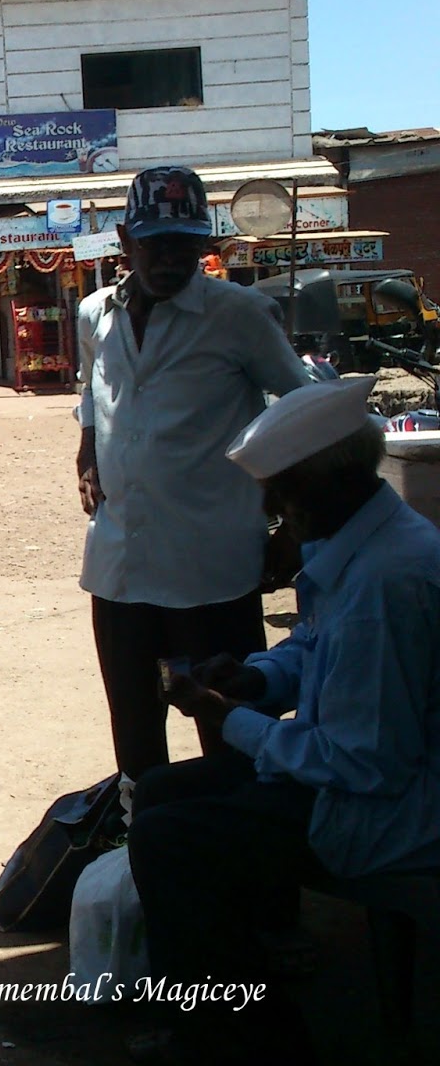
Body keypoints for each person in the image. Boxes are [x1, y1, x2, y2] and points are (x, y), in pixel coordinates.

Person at [127, 376, 440, 1065]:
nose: (270, 508)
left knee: (169, 840)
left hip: (388, 812)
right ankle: (217, 1004)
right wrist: (255, 679)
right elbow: (312, 649)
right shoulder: (362, 541)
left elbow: (362, 763)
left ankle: (250, 1041)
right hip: (364, 781)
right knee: (160, 793)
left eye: (280, 490)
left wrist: (229, 720)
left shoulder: (386, 584)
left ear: (325, 483)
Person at [76, 165, 313, 782]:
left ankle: (234, 852)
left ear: (206, 244)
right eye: (157, 243)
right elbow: (92, 394)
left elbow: (306, 411)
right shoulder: (95, 316)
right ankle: (144, 846)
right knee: (134, 728)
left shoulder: (239, 315)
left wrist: (291, 524)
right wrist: (86, 446)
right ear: (126, 240)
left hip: (211, 566)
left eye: (186, 243)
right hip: (120, 566)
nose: (171, 259)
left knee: (227, 729)